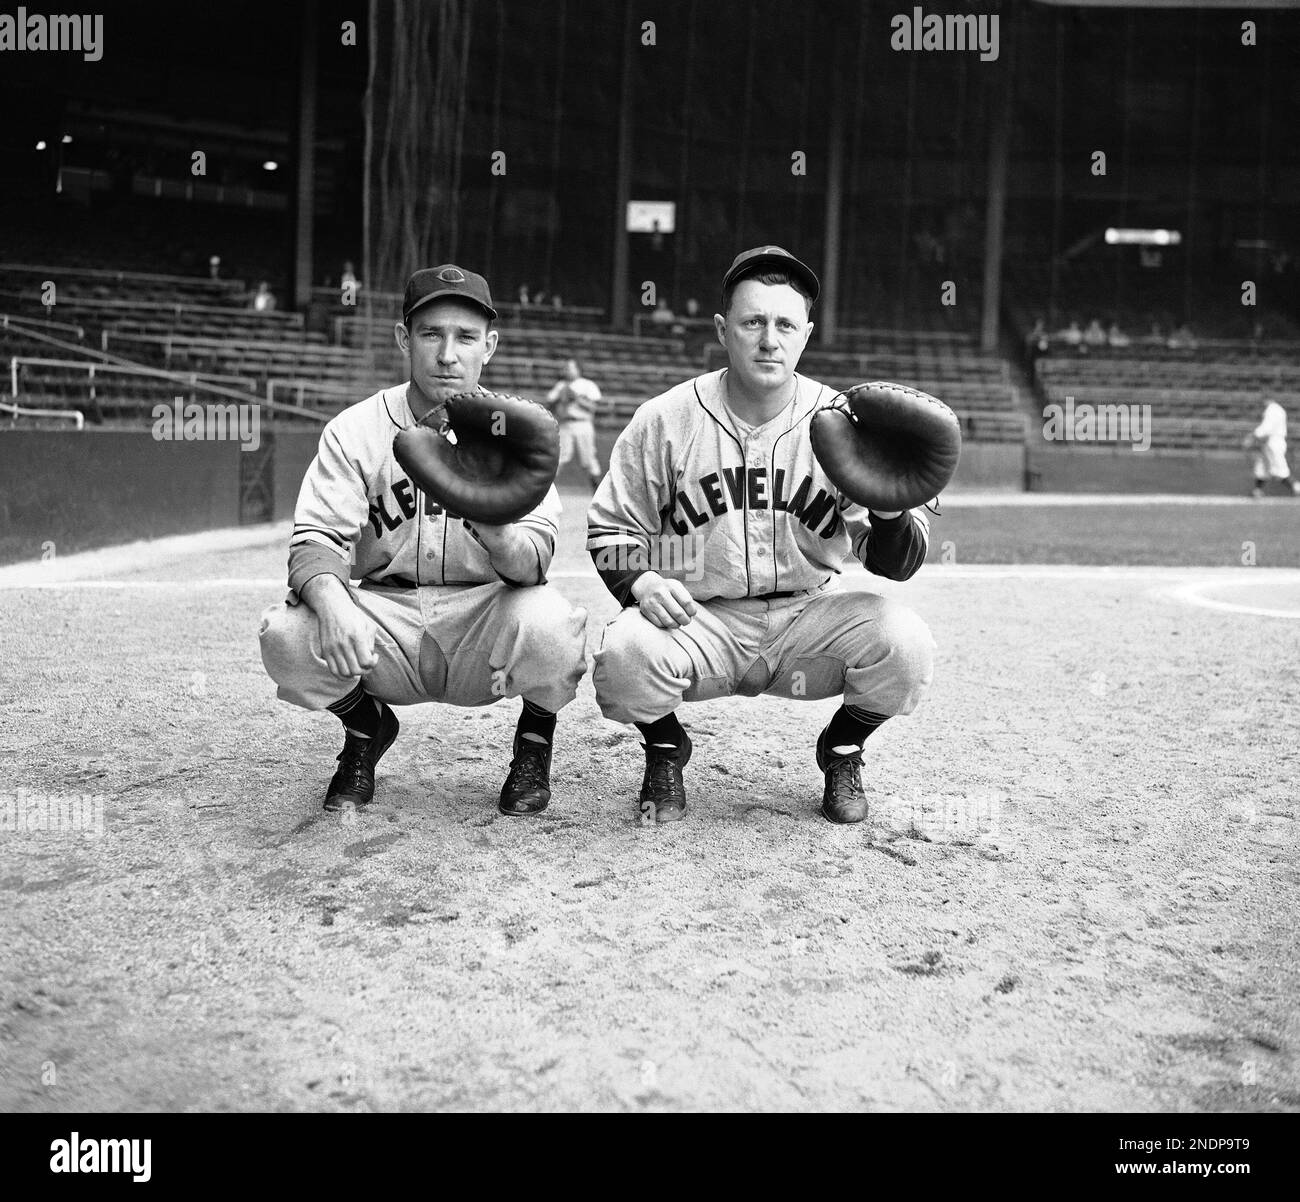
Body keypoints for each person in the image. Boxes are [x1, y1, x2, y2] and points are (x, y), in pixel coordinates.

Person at [587, 246, 935, 826]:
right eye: (753, 322)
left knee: (906, 643)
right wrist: (643, 581)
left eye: (784, 325)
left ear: (806, 336)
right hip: (700, 620)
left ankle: (843, 748)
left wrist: (892, 515)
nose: (769, 340)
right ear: (724, 329)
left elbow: (897, 566)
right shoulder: (666, 419)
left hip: (809, 618)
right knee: (624, 656)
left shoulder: (847, 425)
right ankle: (666, 745)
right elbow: (610, 527)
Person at [258, 265, 588, 817]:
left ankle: (533, 743)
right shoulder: (355, 429)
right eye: (432, 334)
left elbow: (534, 564)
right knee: (288, 634)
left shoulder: (518, 431)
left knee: (554, 629)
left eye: (465, 337)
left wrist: (495, 526)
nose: (447, 355)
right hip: (385, 619)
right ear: (404, 339)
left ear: (490, 346)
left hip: (483, 623)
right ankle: (366, 728)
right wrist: (336, 606)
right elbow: (315, 539)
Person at [546, 358, 604, 490]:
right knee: (558, 458)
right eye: (566, 368)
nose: (567, 370)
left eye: (570, 368)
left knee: (588, 460)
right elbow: (550, 404)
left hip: (583, 424)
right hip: (565, 424)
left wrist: (576, 398)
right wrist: (560, 398)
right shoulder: (561, 385)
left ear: (578, 369)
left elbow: (593, 407)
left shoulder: (588, 385)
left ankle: (597, 491)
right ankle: (546, 491)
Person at [1246, 397, 1300, 499]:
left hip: (1274, 442)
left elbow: (1266, 428)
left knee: (1280, 469)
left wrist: (1253, 436)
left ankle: (1296, 487)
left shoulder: (1272, 410)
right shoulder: (1278, 410)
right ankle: (1257, 490)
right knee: (1262, 466)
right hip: (1270, 442)